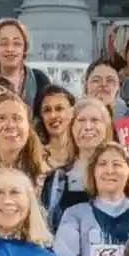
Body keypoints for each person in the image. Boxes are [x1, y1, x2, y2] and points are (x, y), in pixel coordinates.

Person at [40, 98, 117, 230]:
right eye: (81, 120)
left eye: (95, 120)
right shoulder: (56, 180)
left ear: (106, 127)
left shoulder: (121, 175)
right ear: (71, 128)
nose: (87, 127)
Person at [0, 91, 49, 190]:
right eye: (1, 118)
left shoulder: (46, 178)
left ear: (28, 126)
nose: (10, 125)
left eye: (17, 118)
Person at [0, 19, 53, 108]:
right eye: (4, 43)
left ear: (24, 48)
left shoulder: (39, 80)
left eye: (17, 43)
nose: (10, 49)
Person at [36, 85, 77, 170]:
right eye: (47, 110)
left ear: (72, 112)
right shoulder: (35, 156)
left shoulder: (84, 152)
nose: (53, 115)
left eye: (59, 109)